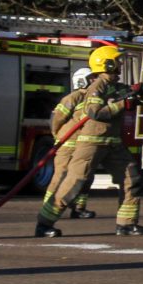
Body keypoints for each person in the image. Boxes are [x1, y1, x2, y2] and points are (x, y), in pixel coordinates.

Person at [35, 46, 143, 238]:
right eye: (117, 61)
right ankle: (44, 224)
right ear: (107, 63)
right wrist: (124, 103)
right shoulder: (97, 86)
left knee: (132, 179)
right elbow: (94, 112)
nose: (120, 64)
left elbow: (131, 97)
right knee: (74, 183)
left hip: (113, 143)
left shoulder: (116, 86)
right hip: (92, 142)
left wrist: (140, 91)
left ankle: (126, 224)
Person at [37, 70, 98, 226]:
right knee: (61, 175)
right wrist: (57, 135)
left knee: (86, 176)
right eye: (92, 78)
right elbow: (57, 118)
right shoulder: (73, 97)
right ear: (82, 81)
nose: (95, 80)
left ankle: (79, 208)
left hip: (84, 144)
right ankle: (47, 206)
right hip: (68, 144)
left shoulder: (95, 97)